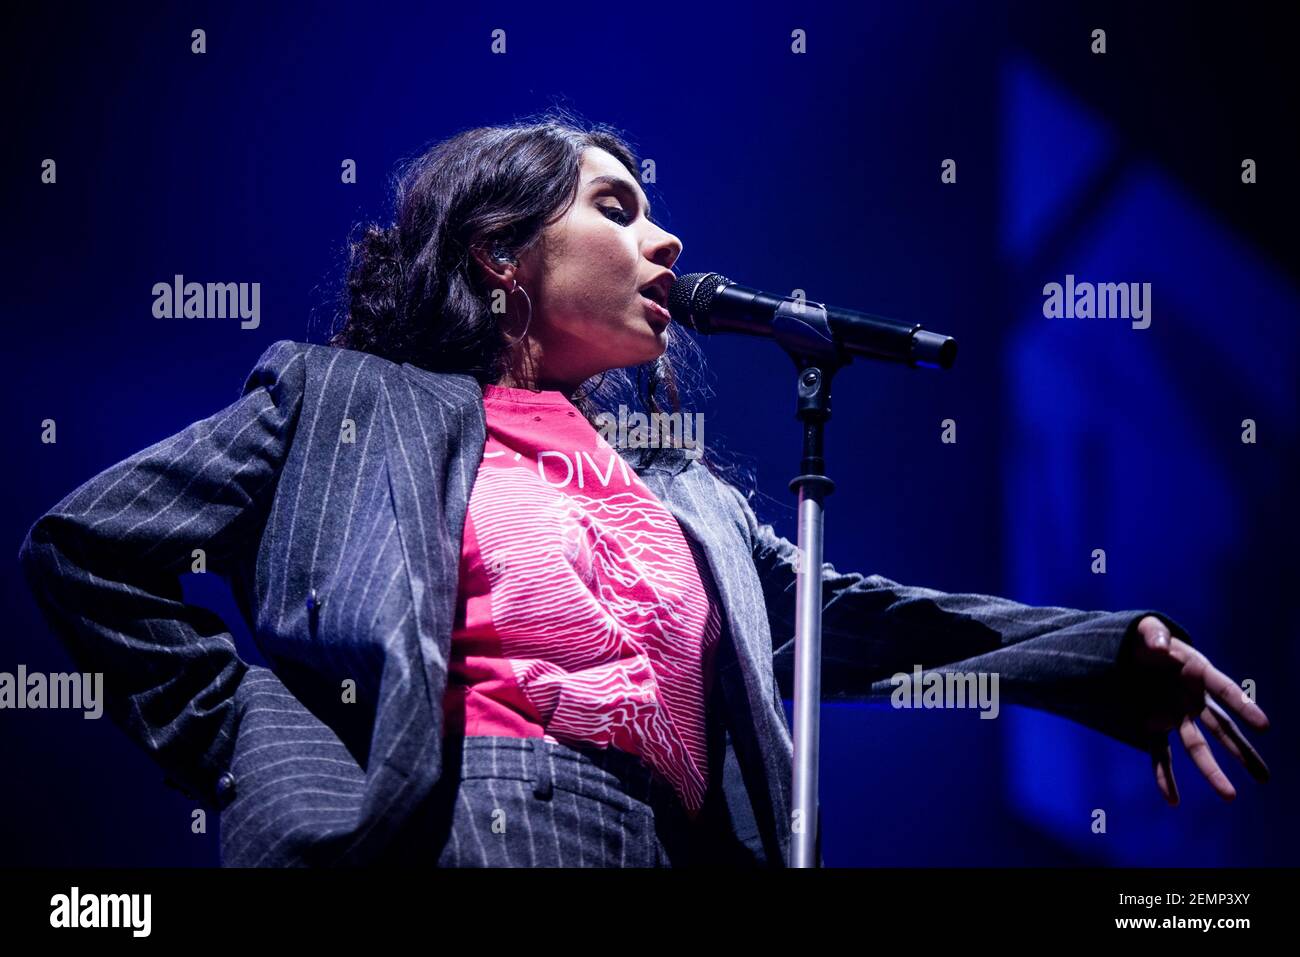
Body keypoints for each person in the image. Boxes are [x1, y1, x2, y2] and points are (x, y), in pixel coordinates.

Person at [17, 113, 1271, 868]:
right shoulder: (345, 402)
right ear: (499, 252)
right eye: (617, 208)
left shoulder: (681, 502)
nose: (665, 241)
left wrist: (1104, 658)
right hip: (450, 829)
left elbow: (864, 623)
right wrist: (252, 740)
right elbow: (87, 548)